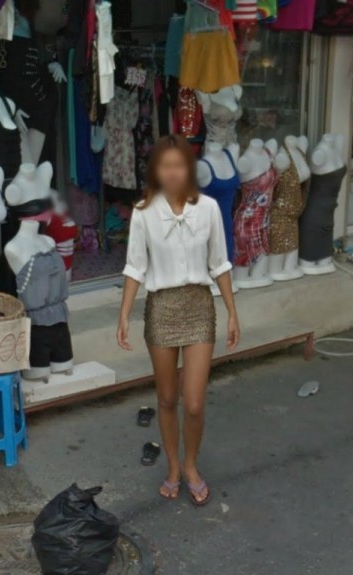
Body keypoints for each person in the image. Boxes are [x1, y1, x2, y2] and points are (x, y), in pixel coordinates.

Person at [117, 135, 240, 507]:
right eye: (164, 165)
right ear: (155, 170)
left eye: (179, 165)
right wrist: (123, 314)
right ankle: (172, 467)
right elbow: (135, 266)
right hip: (162, 308)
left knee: (195, 403)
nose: (172, 172)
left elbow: (219, 263)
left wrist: (233, 312)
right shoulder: (143, 212)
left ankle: (191, 466)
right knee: (168, 398)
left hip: (199, 306)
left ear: (189, 168)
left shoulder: (209, 209)